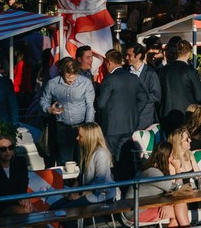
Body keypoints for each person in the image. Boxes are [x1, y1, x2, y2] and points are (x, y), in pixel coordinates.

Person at [135, 143, 201, 228]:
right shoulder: (154, 172)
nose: (175, 158)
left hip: (146, 206)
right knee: (179, 210)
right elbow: (178, 189)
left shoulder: (155, 169)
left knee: (178, 210)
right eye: (173, 156)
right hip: (136, 211)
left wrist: (166, 203)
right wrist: (178, 169)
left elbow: (168, 192)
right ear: (166, 157)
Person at [95, 52, 148, 180]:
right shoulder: (133, 78)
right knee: (128, 161)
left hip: (112, 128)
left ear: (109, 62)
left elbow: (101, 104)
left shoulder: (109, 79)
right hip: (130, 126)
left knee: (113, 163)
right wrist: (134, 112)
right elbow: (144, 98)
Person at [39, 58, 95, 167]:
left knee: (83, 160)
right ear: (62, 72)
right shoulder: (52, 84)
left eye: (74, 76)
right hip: (62, 127)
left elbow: (90, 106)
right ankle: (66, 183)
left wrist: (88, 127)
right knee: (64, 160)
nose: (71, 80)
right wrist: (49, 109)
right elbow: (43, 100)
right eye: (68, 76)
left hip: (81, 126)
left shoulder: (85, 83)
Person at [50, 122, 118, 210]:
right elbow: (80, 178)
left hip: (100, 195)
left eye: (80, 136)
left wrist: (79, 194)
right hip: (87, 192)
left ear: (89, 138)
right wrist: (72, 192)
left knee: (63, 211)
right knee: (53, 207)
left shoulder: (101, 154)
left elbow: (99, 181)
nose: (77, 138)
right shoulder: (86, 152)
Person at [158, 40, 201, 133]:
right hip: (185, 115)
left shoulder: (163, 70)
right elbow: (199, 96)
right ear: (189, 54)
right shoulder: (191, 71)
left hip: (165, 113)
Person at [124, 43, 160, 129]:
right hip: (127, 118)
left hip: (144, 119)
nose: (126, 58)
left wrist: (140, 98)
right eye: (126, 55)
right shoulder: (125, 71)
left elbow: (156, 95)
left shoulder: (151, 73)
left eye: (129, 55)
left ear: (139, 55)